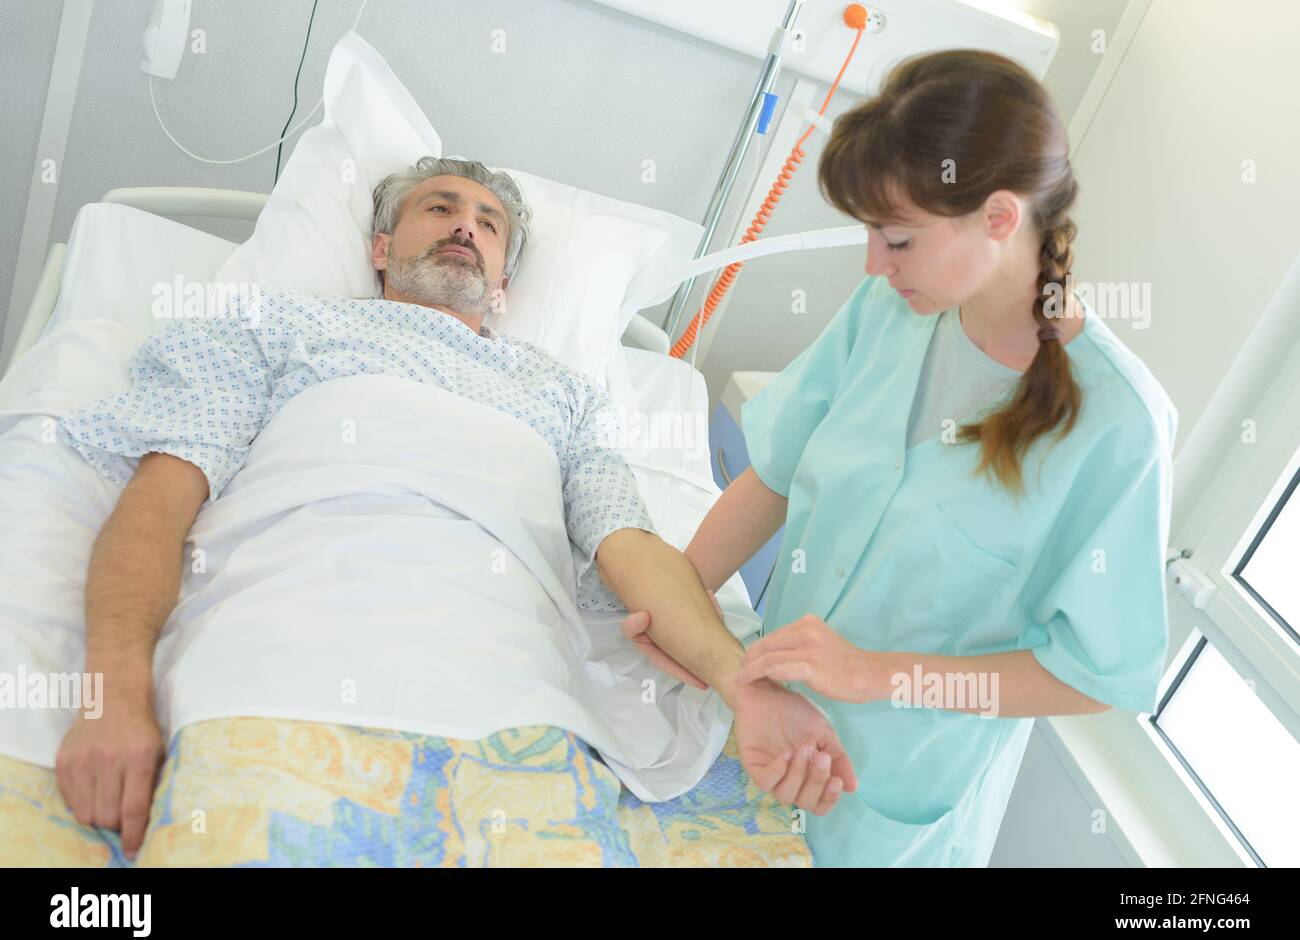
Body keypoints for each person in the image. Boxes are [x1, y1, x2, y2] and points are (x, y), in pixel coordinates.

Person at [53, 157, 855, 860]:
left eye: (489, 223)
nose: (465, 227)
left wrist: (733, 677)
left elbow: (631, 543)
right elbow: (158, 500)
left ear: (503, 284)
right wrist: (114, 693)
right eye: (438, 208)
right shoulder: (277, 328)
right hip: (288, 643)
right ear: (379, 249)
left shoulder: (563, 395)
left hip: (508, 685)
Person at [621, 49, 1177, 866]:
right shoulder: (889, 311)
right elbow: (773, 477)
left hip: (888, 803)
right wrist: (683, 608)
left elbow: (1092, 676)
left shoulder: (1118, 430)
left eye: (899, 239)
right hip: (764, 728)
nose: (875, 264)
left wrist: (879, 675)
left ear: (998, 217)